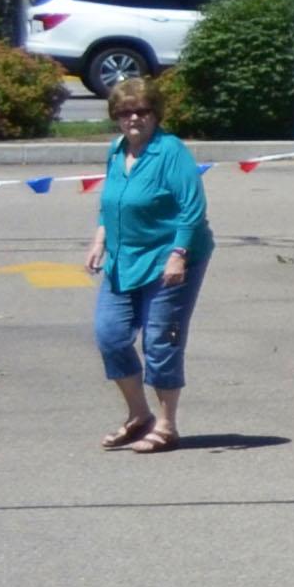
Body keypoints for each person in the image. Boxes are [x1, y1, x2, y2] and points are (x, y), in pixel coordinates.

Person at [84, 75, 211, 455]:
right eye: (124, 112)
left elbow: (193, 207)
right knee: (110, 334)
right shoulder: (117, 149)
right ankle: (139, 415)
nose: (133, 119)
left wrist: (179, 255)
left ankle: (168, 425)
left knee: (161, 340)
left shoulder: (170, 151)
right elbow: (113, 201)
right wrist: (100, 238)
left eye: (141, 111)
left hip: (169, 257)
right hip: (125, 258)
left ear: (155, 114)